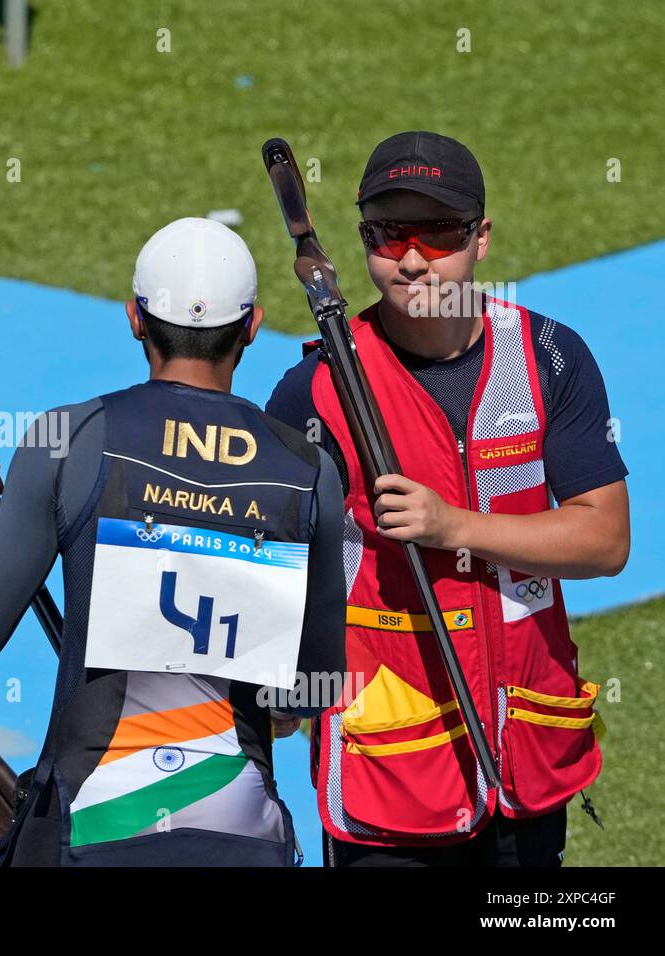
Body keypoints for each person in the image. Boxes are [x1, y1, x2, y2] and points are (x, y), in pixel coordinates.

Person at [0, 218, 347, 866]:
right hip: (241, 841)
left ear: (134, 320)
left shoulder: (69, 438)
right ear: (253, 326)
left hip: (90, 838)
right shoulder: (308, 469)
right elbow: (311, 685)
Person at [266, 131, 631, 867]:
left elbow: (605, 542)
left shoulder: (551, 359)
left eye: (438, 235)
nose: (410, 259)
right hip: (390, 778)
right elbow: (272, 570)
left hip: (527, 765)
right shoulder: (314, 390)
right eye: (386, 234)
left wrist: (452, 524)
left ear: (482, 239)